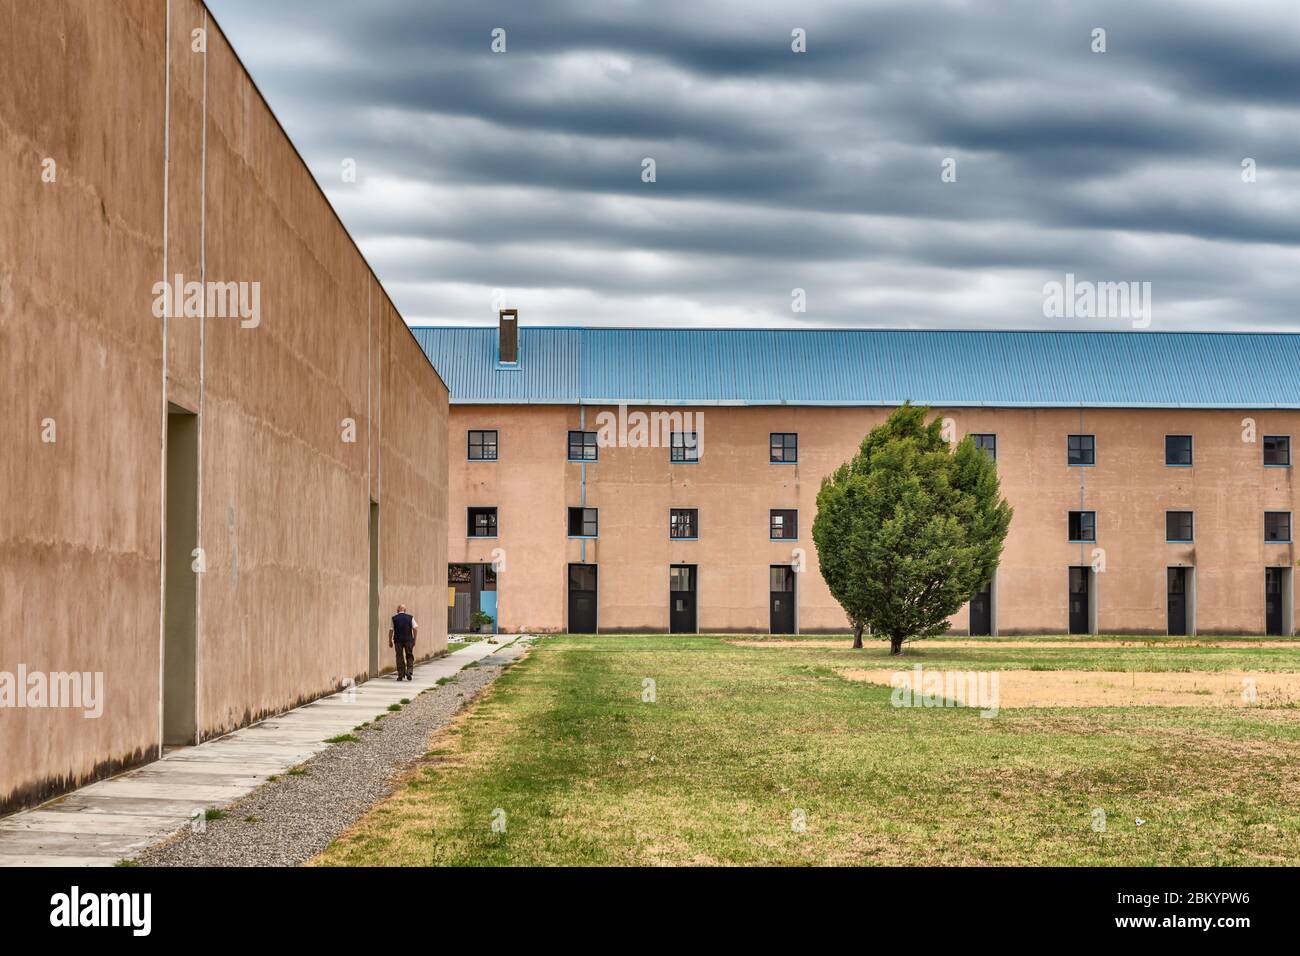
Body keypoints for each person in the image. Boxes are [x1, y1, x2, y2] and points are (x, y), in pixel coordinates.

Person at [388, 604, 418, 681]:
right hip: (408, 640)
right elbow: (415, 628)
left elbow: (391, 630)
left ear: (398, 610)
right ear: (405, 610)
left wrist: (390, 640)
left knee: (399, 657)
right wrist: (414, 639)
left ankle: (400, 675)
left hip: (398, 640)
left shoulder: (394, 618)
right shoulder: (410, 617)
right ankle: (409, 671)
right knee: (409, 655)